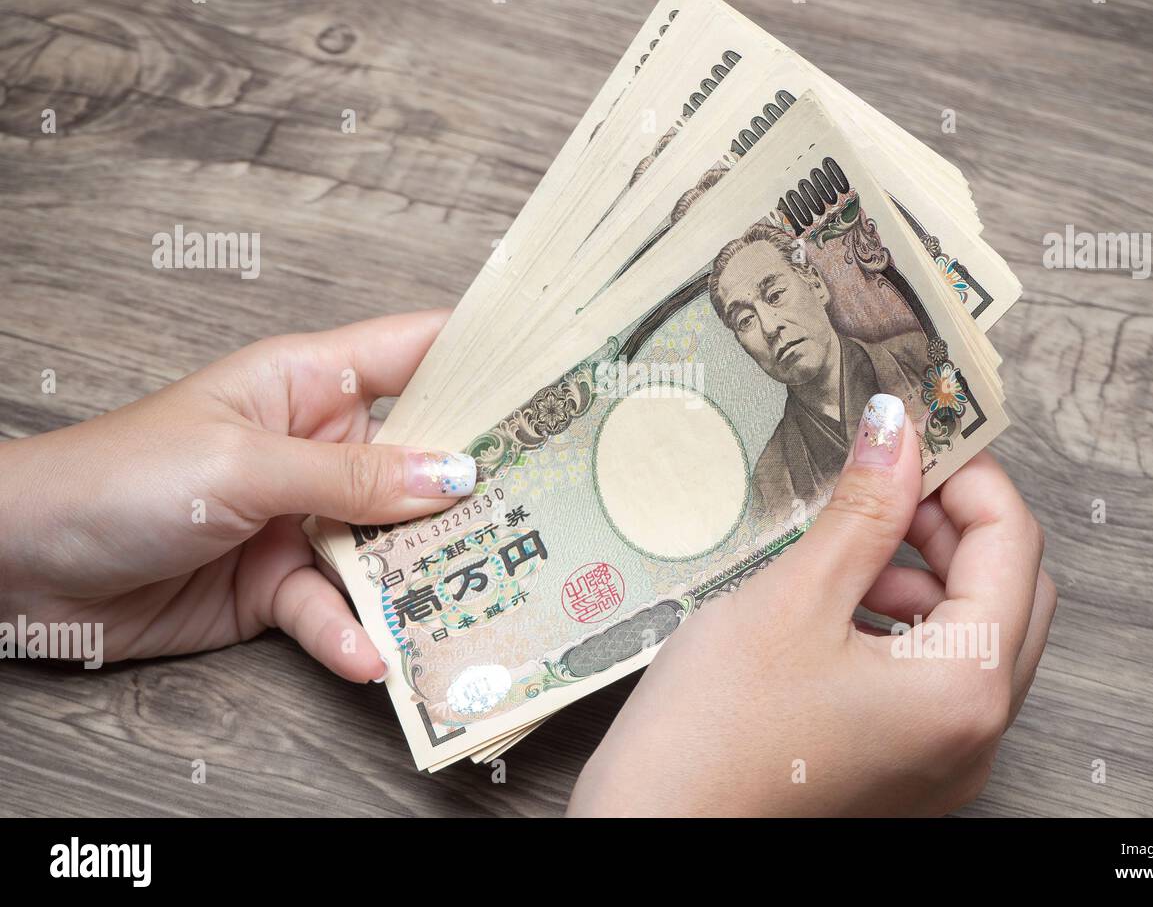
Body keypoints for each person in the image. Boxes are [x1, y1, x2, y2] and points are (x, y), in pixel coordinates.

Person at [0, 311, 1054, 816]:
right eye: (740, 313)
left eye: (777, 295)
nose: (767, 325)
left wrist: (24, 532)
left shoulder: (786, 456)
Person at [708, 222, 930, 520]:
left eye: (774, 296)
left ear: (816, 285)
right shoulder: (768, 484)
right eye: (746, 320)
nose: (770, 326)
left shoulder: (920, 358)